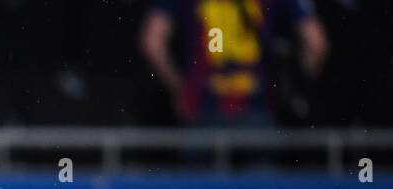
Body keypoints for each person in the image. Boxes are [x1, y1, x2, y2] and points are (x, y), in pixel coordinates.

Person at [140, 0, 328, 127]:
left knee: (202, 186)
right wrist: (295, 92)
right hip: (258, 107)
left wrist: (179, 89)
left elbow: (152, 42)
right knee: (261, 186)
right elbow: (316, 44)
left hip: (203, 108)